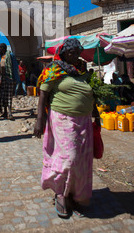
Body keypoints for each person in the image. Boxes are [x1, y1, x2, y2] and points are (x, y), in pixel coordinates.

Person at [34, 38, 99, 219]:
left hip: (84, 121)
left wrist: (97, 115)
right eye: (72, 52)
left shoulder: (83, 70)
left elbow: (91, 91)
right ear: (64, 53)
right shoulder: (54, 69)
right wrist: (40, 119)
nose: (76, 55)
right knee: (69, 159)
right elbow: (43, 94)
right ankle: (60, 194)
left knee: (82, 161)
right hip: (62, 119)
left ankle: (75, 196)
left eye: (78, 51)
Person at [0, 43, 20, 120]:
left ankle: (10, 112)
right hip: (2, 79)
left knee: (9, 95)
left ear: (3, 48)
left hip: (10, 78)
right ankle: (5, 112)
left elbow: (15, 67)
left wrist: (16, 79)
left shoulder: (10, 55)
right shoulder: (0, 57)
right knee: (2, 96)